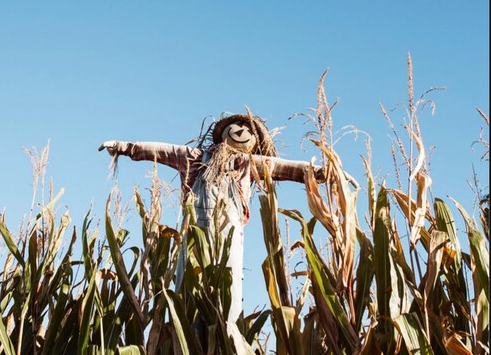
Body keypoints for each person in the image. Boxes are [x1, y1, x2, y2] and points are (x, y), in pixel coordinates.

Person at [99, 112, 328, 332]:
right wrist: (124, 147)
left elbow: (285, 167)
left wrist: (321, 172)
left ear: (254, 144)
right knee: (187, 300)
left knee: (227, 305)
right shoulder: (194, 158)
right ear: (222, 133)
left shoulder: (248, 165)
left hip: (229, 245)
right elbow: (160, 150)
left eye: (248, 130)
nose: (241, 131)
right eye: (237, 126)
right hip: (193, 240)